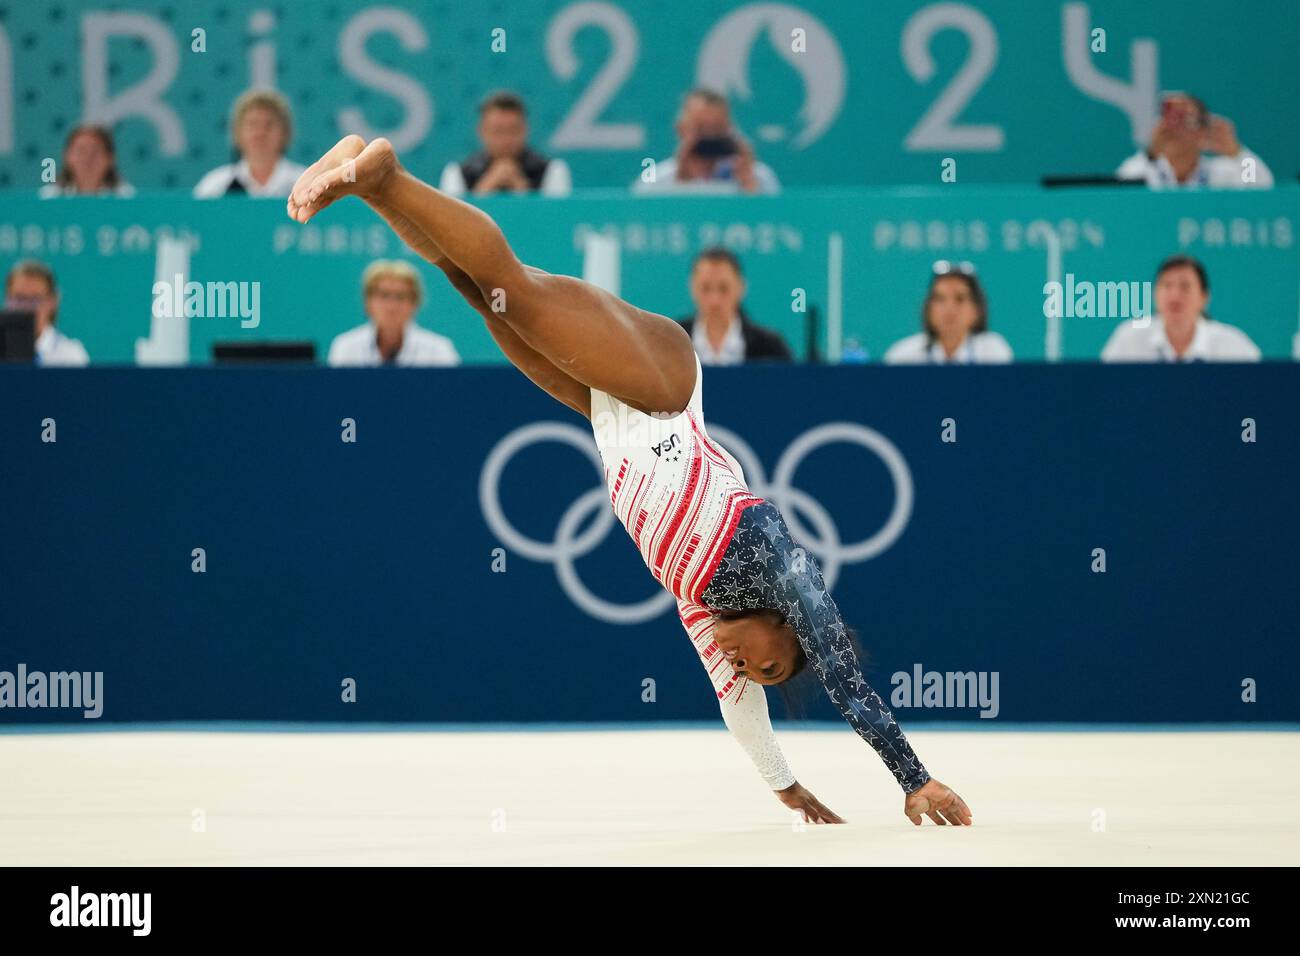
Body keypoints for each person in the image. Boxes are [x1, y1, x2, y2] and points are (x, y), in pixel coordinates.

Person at [287, 134, 972, 827]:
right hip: (663, 390)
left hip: (612, 416)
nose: (747, 670)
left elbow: (743, 714)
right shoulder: (775, 556)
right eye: (768, 666)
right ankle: (388, 170)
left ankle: (372, 184)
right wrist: (912, 779)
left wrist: (786, 788)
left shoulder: (703, 610)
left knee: (482, 296)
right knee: (514, 290)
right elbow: (844, 677)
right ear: (784, 625)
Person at [1101, 255, 1260, 362]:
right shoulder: (1128, 339)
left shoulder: (1233, 347)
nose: (1174, 296)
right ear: (1154, 294)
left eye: (1185, 286)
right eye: (1167, 286)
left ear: (1204, 297)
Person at [633, 88, 780, 195]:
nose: (709, 135)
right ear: (681, 129)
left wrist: (749, 186)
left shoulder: (760, 177)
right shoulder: (654, 181)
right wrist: (682, 180)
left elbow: (777, 223)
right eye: (700, 128)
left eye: (717, 128)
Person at [1116, 93, 1274, 189]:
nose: (1177, 130)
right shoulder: (1144, 171)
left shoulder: (1222, 173)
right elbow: (1122, 192)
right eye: (1171, 121)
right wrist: (1152, 152)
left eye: (1187, 121)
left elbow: (1261, 185)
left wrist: (1236, 152)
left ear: (1203, 131)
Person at [438, 91, 571, 198]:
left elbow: (556, 222)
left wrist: (522, 192)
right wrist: (485, 189)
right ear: (481, 131)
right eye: (498, 131)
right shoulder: (457, 173)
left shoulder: (552, 170)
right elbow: (451, 225)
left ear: (526, 130)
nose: (506, 140)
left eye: (514, 131)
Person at [328, 259, 460, 366]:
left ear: (415, 302)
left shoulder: (439, 350)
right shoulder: (346, 347)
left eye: (400, 296)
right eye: (384, 295)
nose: (391, 306)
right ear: (368, 301)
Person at [678, 248, 792, 364]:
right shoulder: (674, 343)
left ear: (741, 287)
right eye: (705, 288)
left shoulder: (770, 348)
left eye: (724, 289)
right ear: (692, 287)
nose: (714, 300)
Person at [884, 263, 1012, 364]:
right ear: (928, 308)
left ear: (977, 310)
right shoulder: (902, 356)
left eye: (960, 299)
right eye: (940, 299)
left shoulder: (993, 352)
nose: (949, 308)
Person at [194, 89, 307, 198]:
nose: (260, 133)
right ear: (237, 132)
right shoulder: (215, 187)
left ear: (285, 132)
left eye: (269, 125)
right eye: (252, 124)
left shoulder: (305, 184)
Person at [3, 260, 89, 366]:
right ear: (7, 300)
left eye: (35, 299)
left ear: (52, 301)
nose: (27, 307)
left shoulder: (71, 355)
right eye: (19, 298)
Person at [39, 125, 135, 198]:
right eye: (81, 151)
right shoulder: (49, 198)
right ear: (67, 156)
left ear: (110, 158)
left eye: (95, 151)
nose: (87, 158)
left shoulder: (127, 198)